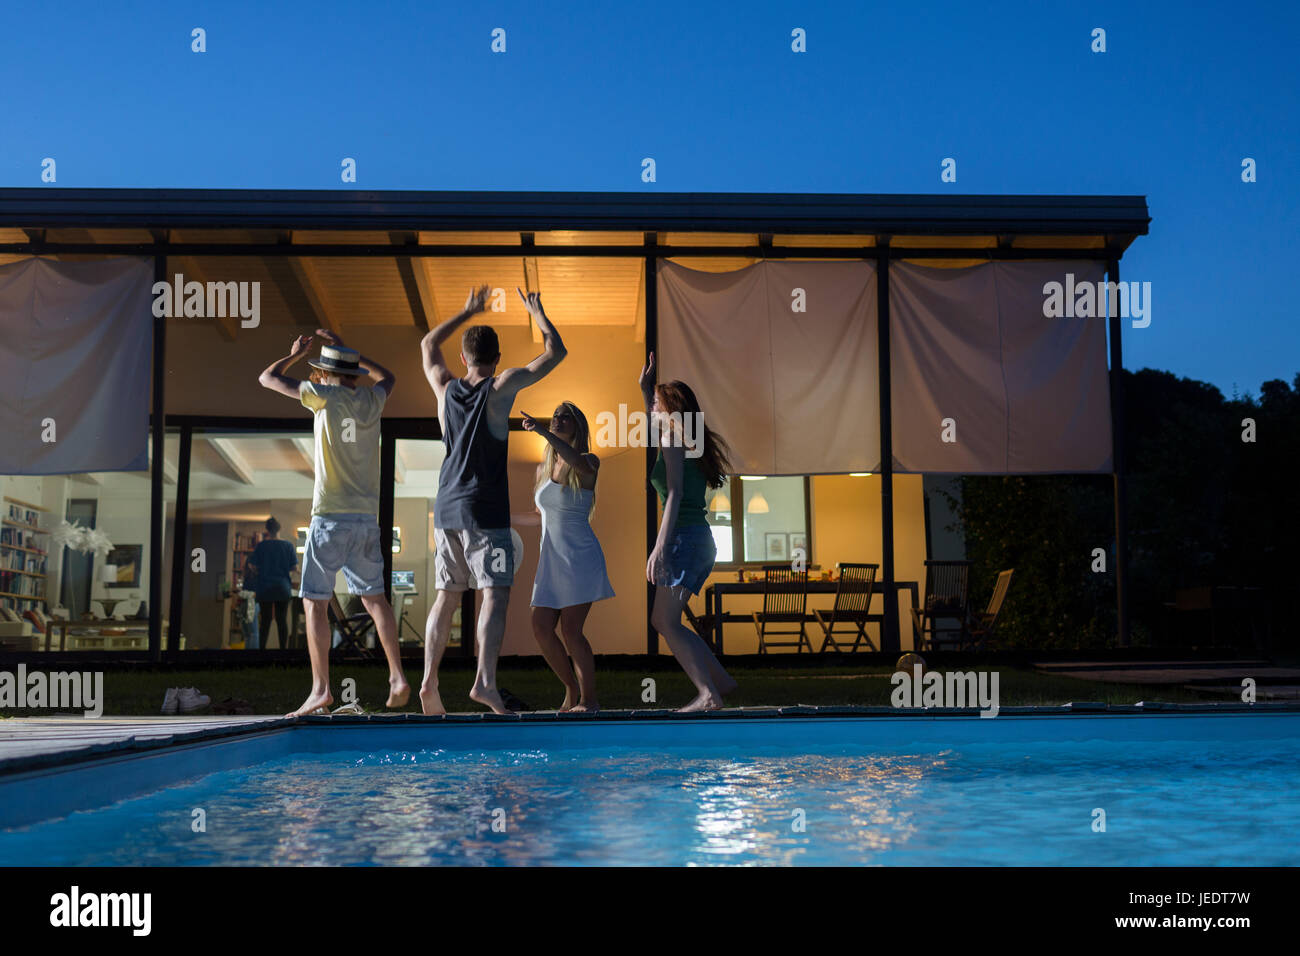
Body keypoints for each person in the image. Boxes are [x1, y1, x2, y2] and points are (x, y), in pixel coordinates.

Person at [419, 287, 566, 715]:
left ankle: (429, 683)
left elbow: (428, 344)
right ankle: (485, 683)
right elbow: (555, 353)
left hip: (445, 509)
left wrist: (465, 311)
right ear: (497, 359)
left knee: (446, 596)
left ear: (464, 358)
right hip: (485, 513)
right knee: (495, 594)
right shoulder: (500, 388)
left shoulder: (444, 387)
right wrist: (538, 313)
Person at [258, 330, 411, 717]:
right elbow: (389, 378)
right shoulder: (371, 400)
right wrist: (353, 354)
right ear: (354, 373)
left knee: (314, 602)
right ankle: (396, 675)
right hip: (365, 520)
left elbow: (268, 379)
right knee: (375, 599)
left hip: (329, 517)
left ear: (324, 375)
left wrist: (293, 354)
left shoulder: (322, 396)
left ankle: (321, 690)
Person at [640, 352, 738, 712]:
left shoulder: (672, 441)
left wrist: (660, 546)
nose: (651, 409)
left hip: (683, 537)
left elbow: (676, 494)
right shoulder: (689, 439)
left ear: (671, 409)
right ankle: (720, 681)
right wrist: (645, 386)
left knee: (664, 620)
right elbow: (651, 417)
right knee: (671, 620)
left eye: (656, 404)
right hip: (699, 540)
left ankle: (708, 694)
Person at [521, 402, 614, 712]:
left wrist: (543, 432)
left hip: (578, 557)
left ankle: (590, 701)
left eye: (565, 417)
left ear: (578, 426)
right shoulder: (545, 469)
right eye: (556, 416)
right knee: (540, 626)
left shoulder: (588, 461)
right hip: (551, 560)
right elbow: (541, 516)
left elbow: (580, 464)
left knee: (572, 632)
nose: (558, 420)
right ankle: (571, 689)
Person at [244, 516, 297, 650]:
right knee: (281, 620)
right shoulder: (288, 545)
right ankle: (282, 652)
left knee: (265, 621)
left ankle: (262, 652)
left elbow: (252, 565)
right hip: (282, 587)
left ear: (267, 530)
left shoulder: (261, 546)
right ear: (279, 529)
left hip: (265, 587)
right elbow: (294, 568)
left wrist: (259, 572)